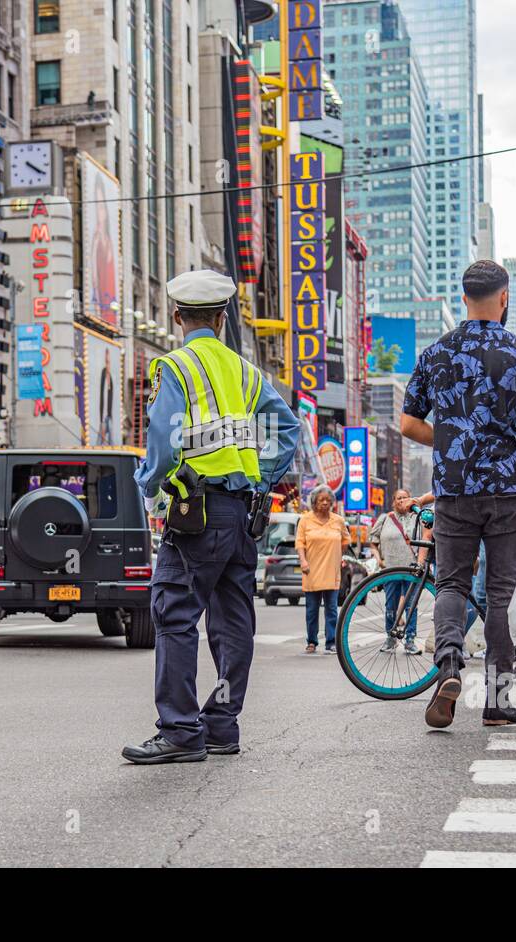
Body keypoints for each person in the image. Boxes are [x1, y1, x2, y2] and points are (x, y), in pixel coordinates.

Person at [122, 269, 300, 764]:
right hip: (242, 516)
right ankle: (221, 725)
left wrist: (148, 483)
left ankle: (179, 729)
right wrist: (260, 478)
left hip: (194, 514)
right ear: (222, 319)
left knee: (174, 614)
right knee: (233, 620)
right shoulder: (246, 372)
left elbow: (161, 443)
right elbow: (288, 430)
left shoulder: (175, 368)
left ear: (177, 316)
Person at [401, 260, 516, 729]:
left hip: (453, 488)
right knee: (502, 593)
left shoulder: (436, 353)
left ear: (465, 297)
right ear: (504, 298)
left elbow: (407, 423)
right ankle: (497, 703)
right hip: (508, 491)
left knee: (451, 584)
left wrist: (449, 439)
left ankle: (447, 662)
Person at [295, 486, 351, 655]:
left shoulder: (338, 520)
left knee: (332, 609)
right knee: (312, 609)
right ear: (314, 502)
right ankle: (311, 641)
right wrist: (303, 561)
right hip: (311, 570)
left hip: (331, 570)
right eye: (321, 500)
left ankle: (331, 642)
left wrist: (339, 557)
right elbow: (299, 543)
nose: (325, 503)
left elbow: (346, 540)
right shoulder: (305, 520)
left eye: (328, 500)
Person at [368, 489, 423, 655]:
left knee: (411, 605)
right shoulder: (385, 518)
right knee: (390, 605)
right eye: (399, 498)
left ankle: (410, 640)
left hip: (412, 569)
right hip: (390, 569)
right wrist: (379, 560)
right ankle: (390, 638)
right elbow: (373, 541)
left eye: (405, 497)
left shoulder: (418, 518)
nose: (402, 501)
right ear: (394, 501)